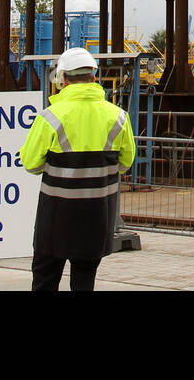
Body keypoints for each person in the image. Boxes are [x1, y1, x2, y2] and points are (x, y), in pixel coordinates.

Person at [20, 47, 135, 292]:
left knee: (44, 280)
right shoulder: (119, 117)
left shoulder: (50, 117)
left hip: (55, 218)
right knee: (84, 282)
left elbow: (31, 163)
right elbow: (125, 163)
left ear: (63, 80)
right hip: (96, 217)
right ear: (94, 78)